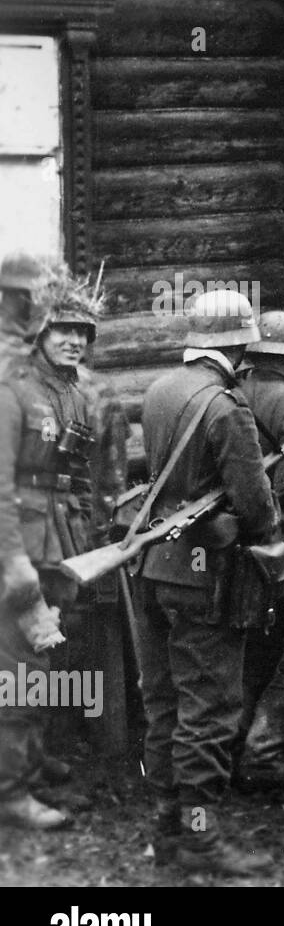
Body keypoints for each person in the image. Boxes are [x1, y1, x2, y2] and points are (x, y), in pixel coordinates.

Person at [133, 289, 284, 874]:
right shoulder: (226, 406)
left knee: (167, 703)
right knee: (211, 709)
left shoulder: (159, 390)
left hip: (154, 569)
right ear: (238, 341)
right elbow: (255, 501)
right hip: (205, 579)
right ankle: (199, 840)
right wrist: (271, 545)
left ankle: (167, 831)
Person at [0, 265, 97, 830]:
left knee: (43, 654)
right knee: (16, 661)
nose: (74, 340)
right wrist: (11, 561)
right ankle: (10, 791)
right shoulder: (13, 393)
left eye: (83, 332)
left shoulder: (73, 394)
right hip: (20, 544)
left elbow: (76, 477)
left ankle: (31, 763)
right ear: (39, 333)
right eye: (63, 329)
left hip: (60, 540)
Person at [233, 311, 284, 793]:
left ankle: (232, 748)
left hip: (235, 547)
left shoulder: (232, 395)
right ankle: (263, 753)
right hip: (281, 546)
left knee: (253, 651)